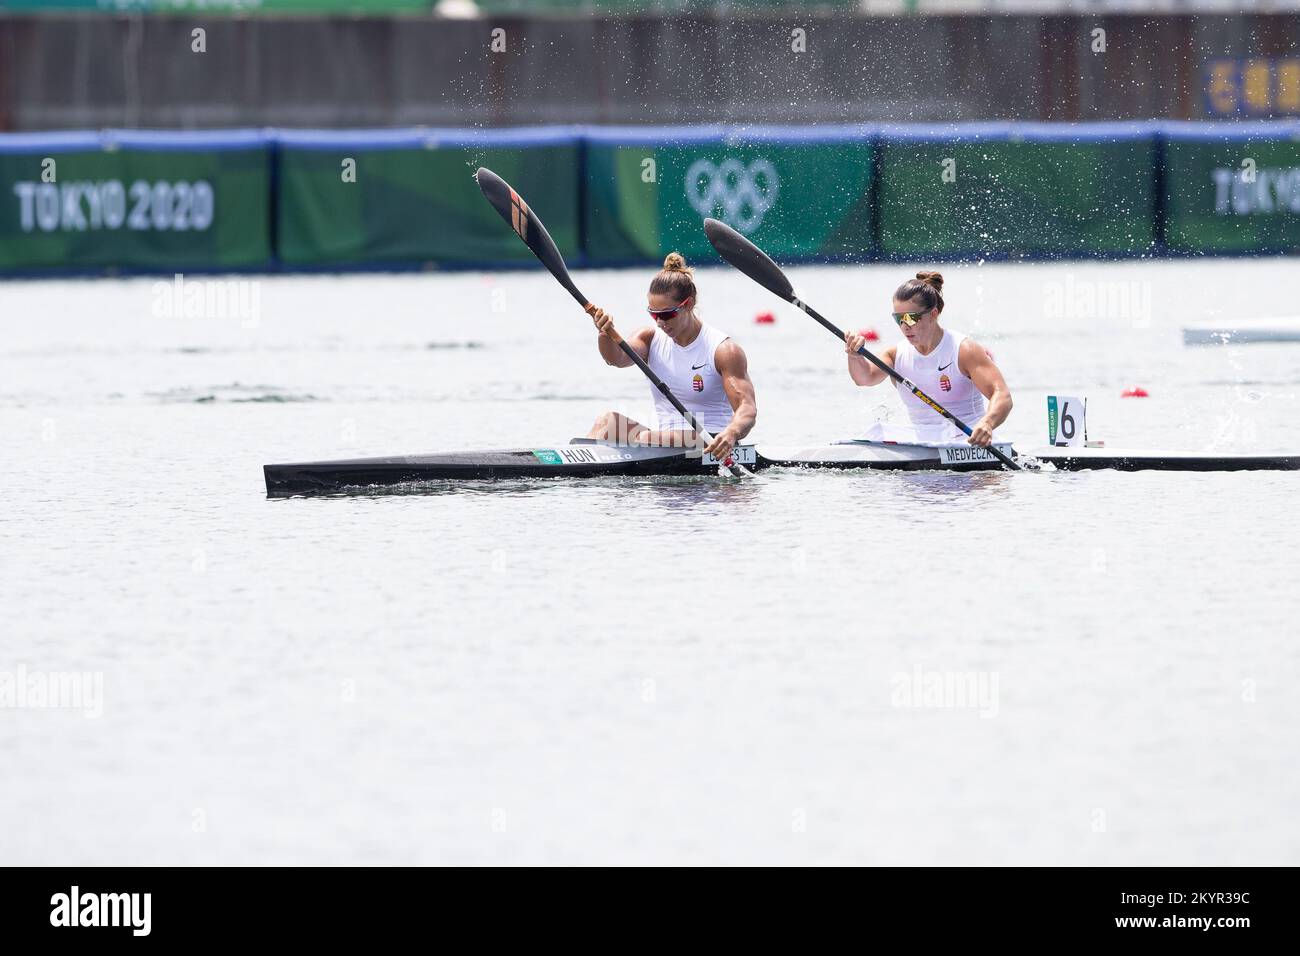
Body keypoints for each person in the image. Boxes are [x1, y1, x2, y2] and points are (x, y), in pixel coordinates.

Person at [586, 252, 757, 462]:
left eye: (666, 314)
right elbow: (617, 358)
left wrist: (731, 433)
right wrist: (604, 333)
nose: (660, 322)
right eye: (654, 314)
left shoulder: (723, 350)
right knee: (608, 422)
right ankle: (581, 471)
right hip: (661, 443)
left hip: (711, 442)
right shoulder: (649, 338)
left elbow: (747, 408)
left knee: (645, 437)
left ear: (688, 304)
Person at [843, 271, 1012, 446]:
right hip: (922, 441)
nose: (904, 326)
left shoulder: (963, 350)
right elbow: (864, 378)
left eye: (910, 318)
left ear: (933, 313)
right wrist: (854, 355)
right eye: (898, 319)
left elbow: (1002, 395)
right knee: (877, 431)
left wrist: (987, 423)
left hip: (968, 440)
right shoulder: (895, 354)